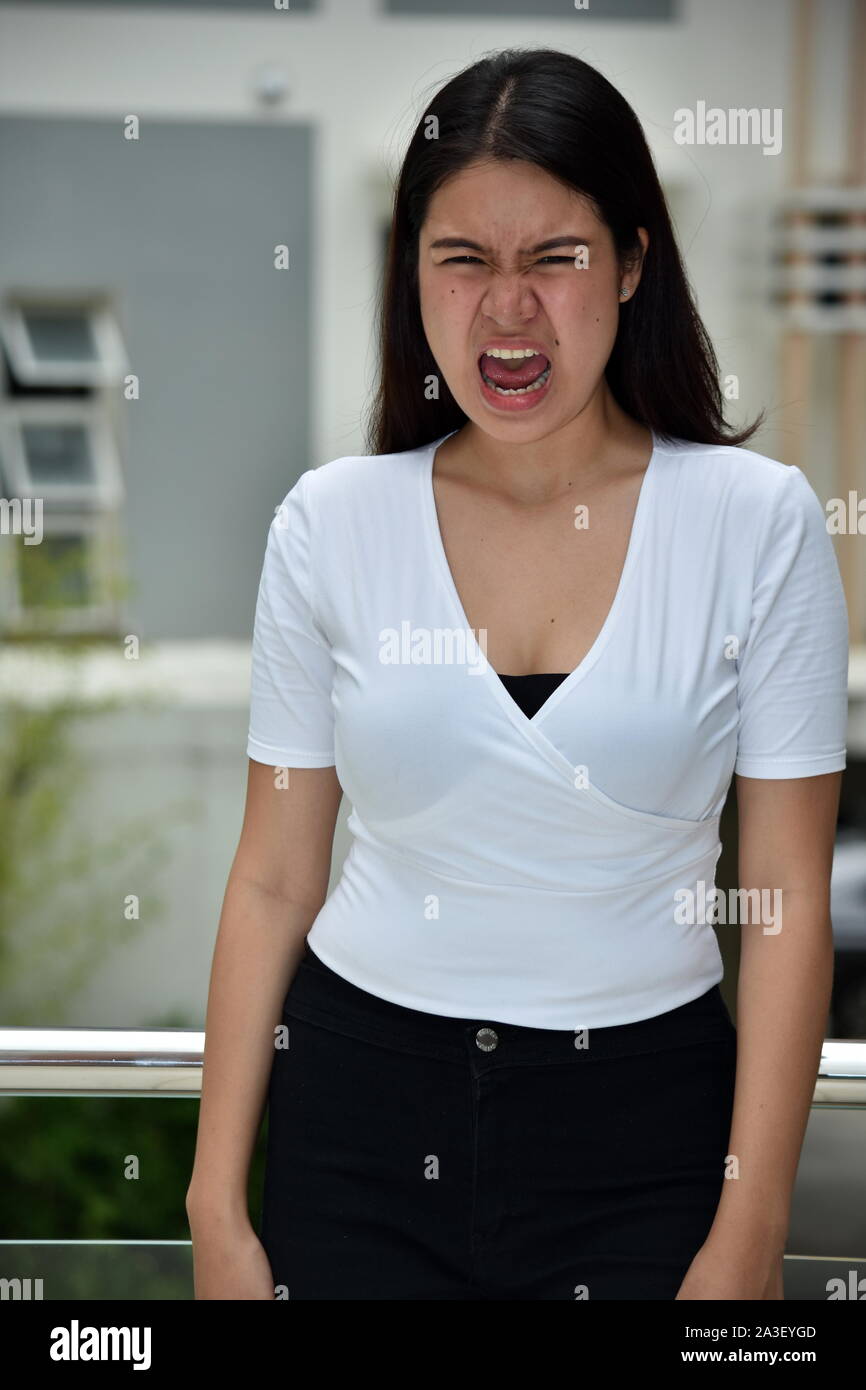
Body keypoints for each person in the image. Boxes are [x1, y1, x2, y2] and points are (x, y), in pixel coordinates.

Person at [186, 48, 848, 1301]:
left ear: (634, 264)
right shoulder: (328, 523)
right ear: (412, 278)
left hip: (645, 1129)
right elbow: (274, 877)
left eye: (555, 258)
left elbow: (783, 901)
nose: (508, 309)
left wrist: (748, 1229)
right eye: (464, 260)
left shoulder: (754, 523)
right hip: (355, 1120)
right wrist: (215, 1205)